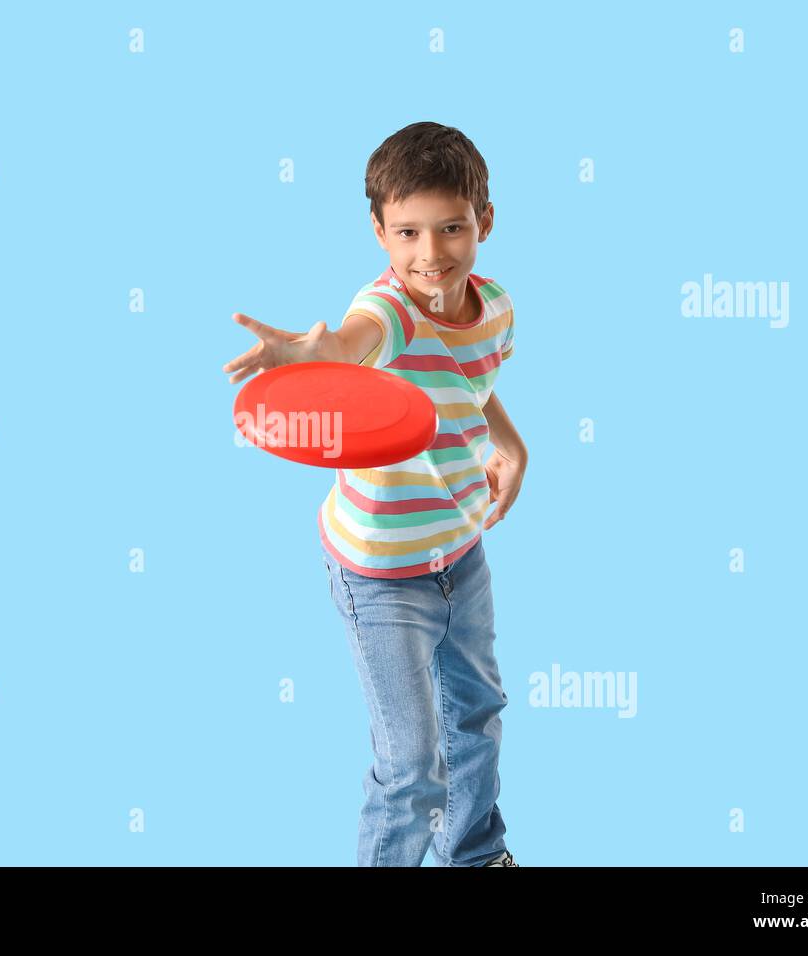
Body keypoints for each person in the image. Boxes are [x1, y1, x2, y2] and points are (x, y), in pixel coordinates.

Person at [222, 122, 527, 867]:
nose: (431, 254)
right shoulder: (388, 309)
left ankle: (476, 854)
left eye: (451, 228)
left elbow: (471, 382)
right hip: (382, 572)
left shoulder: (497, 308)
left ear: (484, 220)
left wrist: (510, 443)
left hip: (461, 550)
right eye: (409, 232)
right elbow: (353, 341)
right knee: (412, 767)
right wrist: (313, 355)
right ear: (380, 233)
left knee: (479, 712)